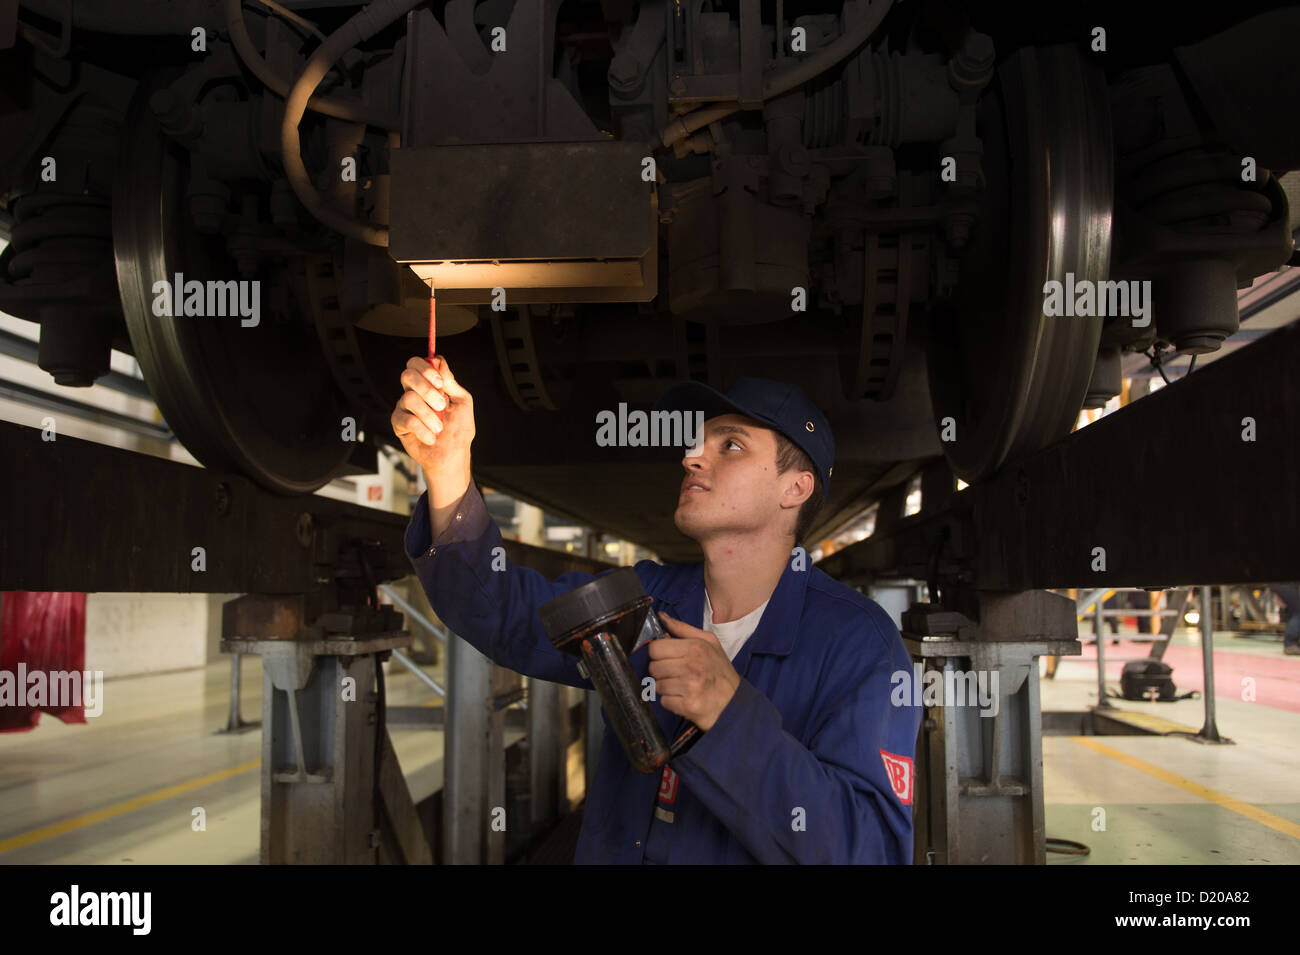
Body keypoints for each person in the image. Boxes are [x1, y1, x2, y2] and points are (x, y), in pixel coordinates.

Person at [391, 355, 921, 864]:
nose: (692, 456)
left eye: (731, 445)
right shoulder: (645, 598)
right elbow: (504, 612)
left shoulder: (859, 646)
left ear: (794, 488)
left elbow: (868, 848)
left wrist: (729, 714)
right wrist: (449, 468)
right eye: (698, 443)